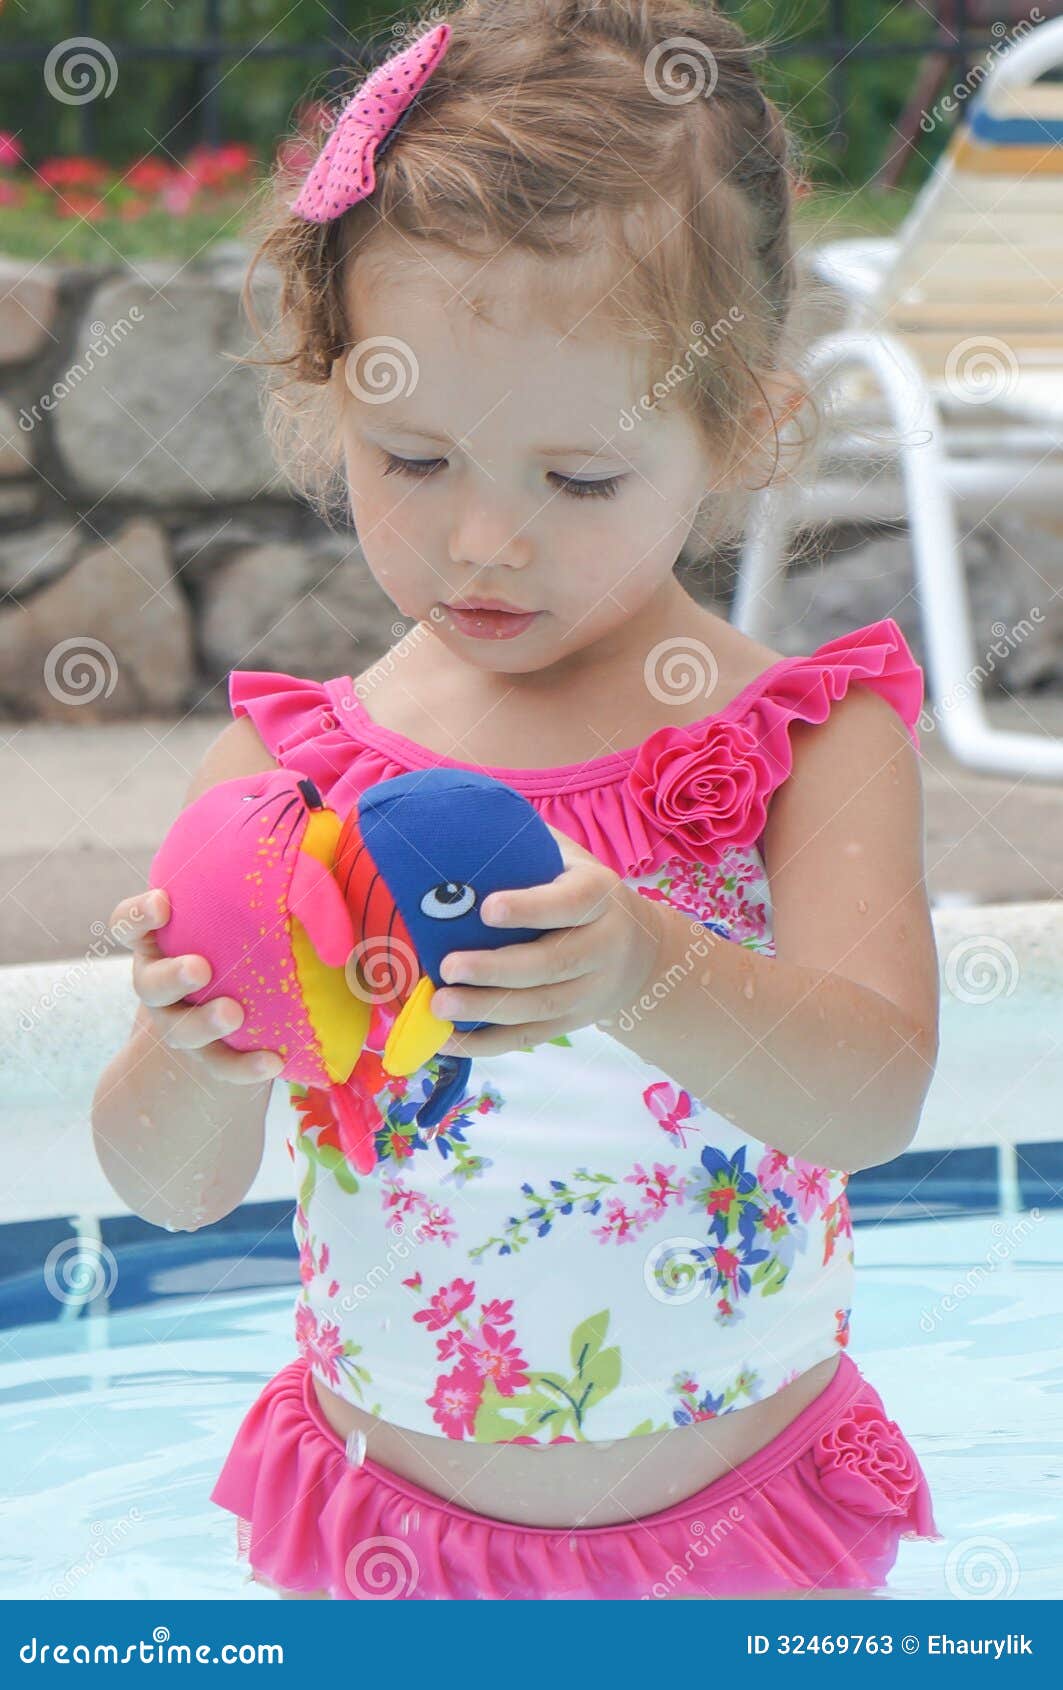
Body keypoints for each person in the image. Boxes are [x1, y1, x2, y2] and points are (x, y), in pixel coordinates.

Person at [94, 0, 942, 1600]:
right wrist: (203, 1056)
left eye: (578, 480)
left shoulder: (803, 749)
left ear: (743, 424)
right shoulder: (293, 779)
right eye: (414, 460)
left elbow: (873, 1107)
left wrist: (646, 966)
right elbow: (170, 1189)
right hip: (378, 1537)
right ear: (330, 398)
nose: (487, 544)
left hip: (737, 1538)